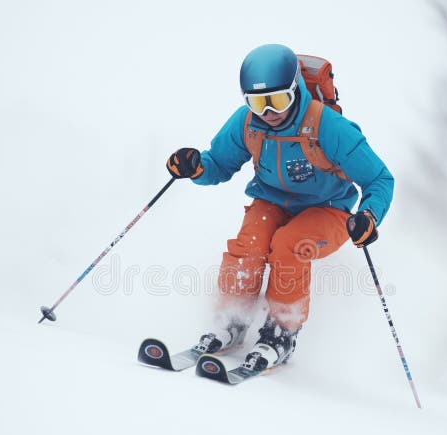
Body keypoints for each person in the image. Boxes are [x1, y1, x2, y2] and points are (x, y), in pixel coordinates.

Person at [166, 43, 394, 371]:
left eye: (278, 100)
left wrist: (369, 216)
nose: (269, 111)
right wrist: (196, 168)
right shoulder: (248, 123)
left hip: (328, 209)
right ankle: (232, 321)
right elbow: (218, 163)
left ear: (295, 90)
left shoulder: (329, 127)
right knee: (250, 245)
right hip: (272, 200)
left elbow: (380, 180)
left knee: (289, 246)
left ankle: (281, 333)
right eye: (258, 102)